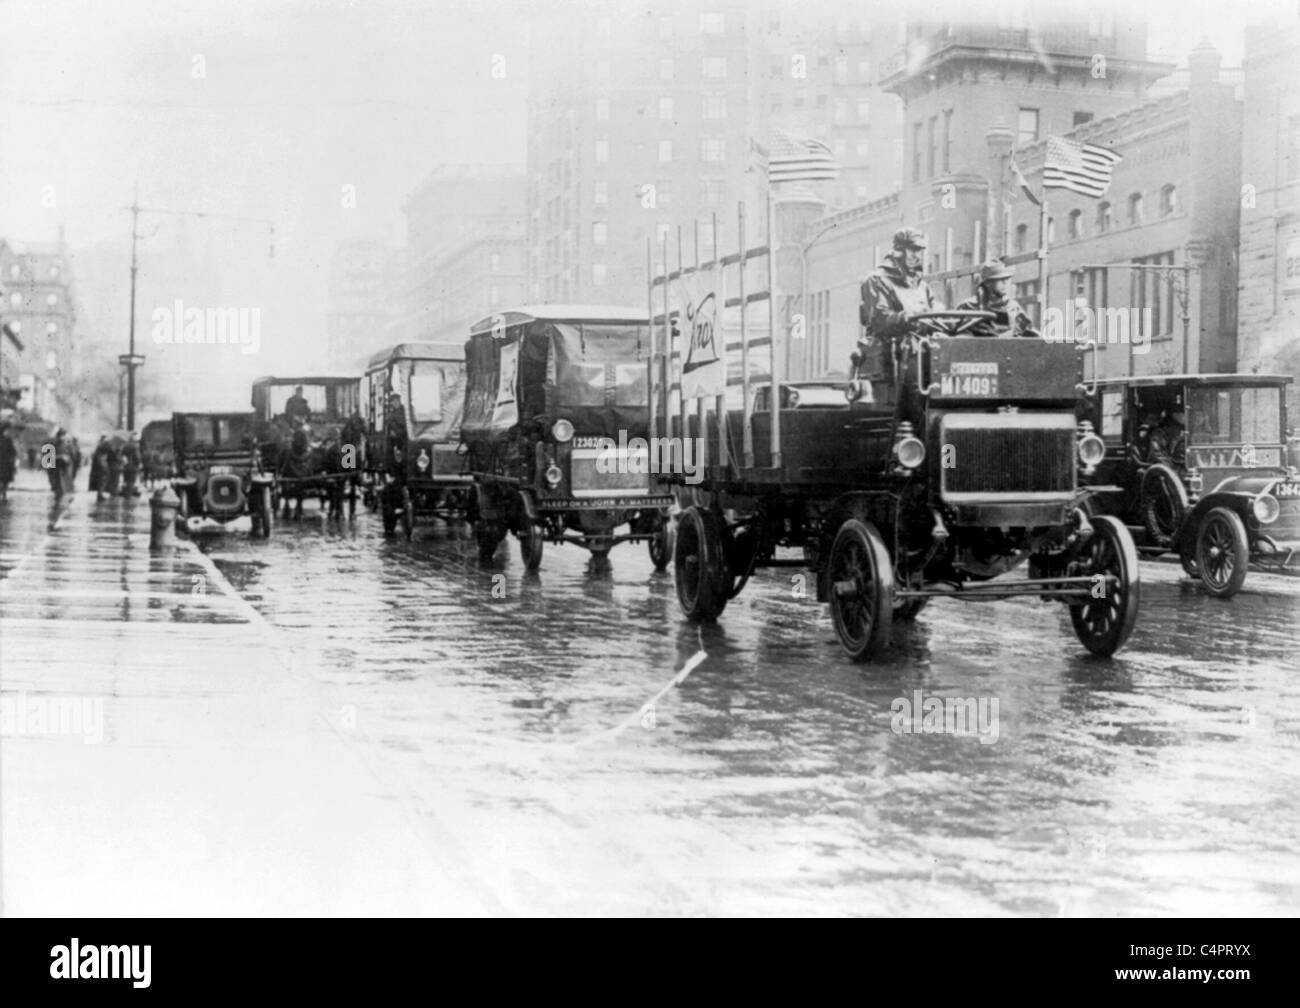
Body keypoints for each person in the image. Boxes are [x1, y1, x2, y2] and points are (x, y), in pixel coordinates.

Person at [854, 227, 939, 385]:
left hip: (922, 348)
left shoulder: (922, 286)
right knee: (913, 348)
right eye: (912, 249)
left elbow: (934, 311)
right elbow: (879, 319)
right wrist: (904, 318)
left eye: (919, 250)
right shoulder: (876, 281)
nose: (916, 255)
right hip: (892, 353)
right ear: (899, 250)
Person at [955, 260, 1038, 338]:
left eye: (1006, 279)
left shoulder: (1013, 307)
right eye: (1000, 279)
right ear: (988, 283)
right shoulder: (968, 306)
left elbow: (1029, 333)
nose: (1005, 283)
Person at [120, 431, 142, 497]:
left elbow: (122, 455)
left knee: (127, 480)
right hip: (133, 465)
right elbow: (137, 457)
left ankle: (127, 494)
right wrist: (139, 463)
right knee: (131, 481)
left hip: (126, 466)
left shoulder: (124, 446)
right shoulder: (134, 446)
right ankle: (128, 495)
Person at [0, 423, 17, 502]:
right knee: (1, 479)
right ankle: (2, 492)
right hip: (1, 463)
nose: (8, 432)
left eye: (8, 431)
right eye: (6, 431)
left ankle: (4, 493)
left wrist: (13, 460)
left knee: (5, 480)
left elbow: (13, 451)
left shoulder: (8, 440)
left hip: (7, 464)